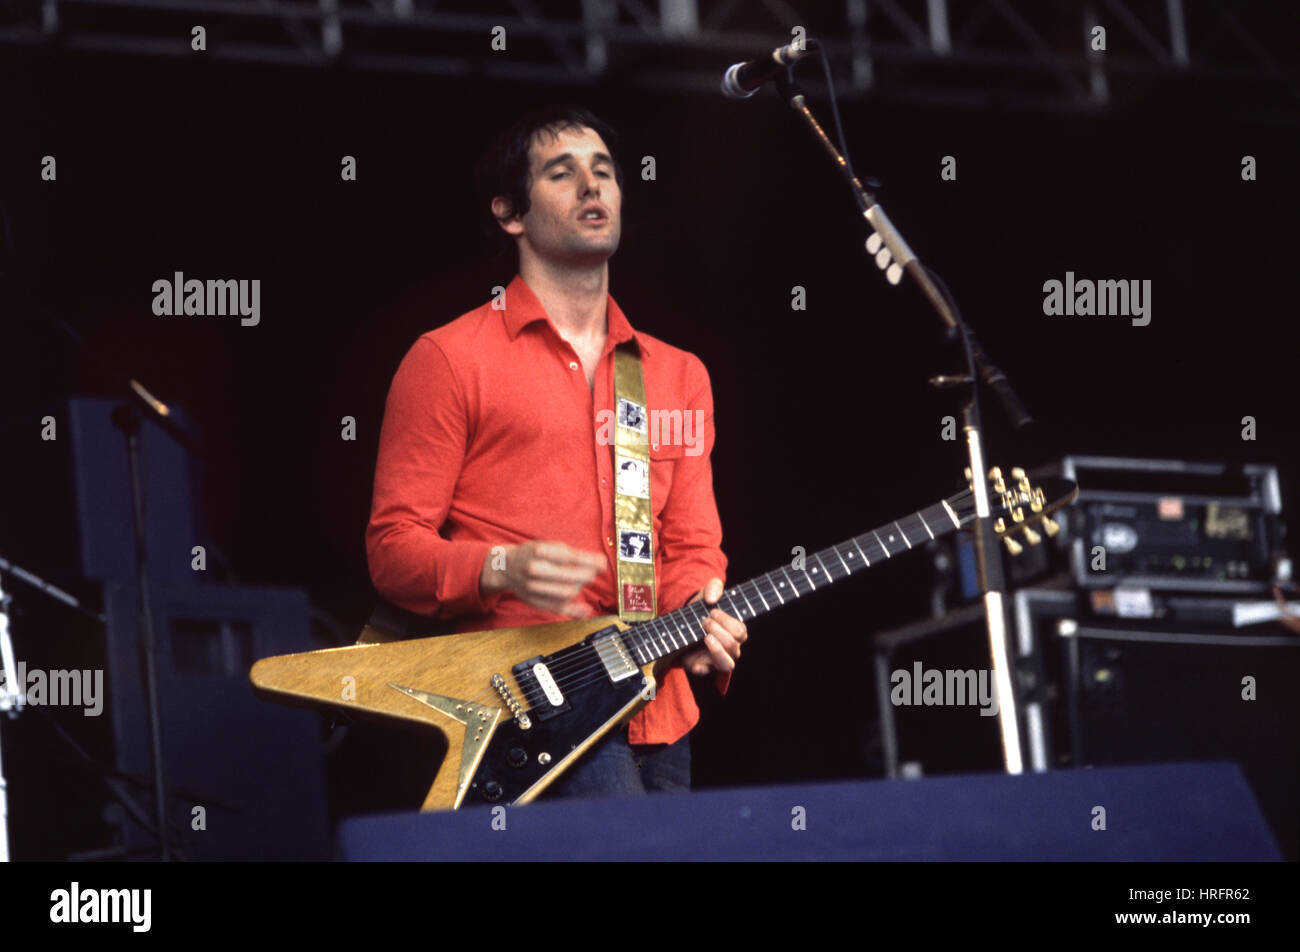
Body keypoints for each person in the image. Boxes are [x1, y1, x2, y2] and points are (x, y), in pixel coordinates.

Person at [365, 105, 747, 799]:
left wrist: (699, 616)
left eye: (603, 172)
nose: (592, 186)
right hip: (530, 701)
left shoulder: (677, 374)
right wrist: (501, 566)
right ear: (510, 213)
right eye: (562, 173)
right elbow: (394, 550)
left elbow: (694, 543)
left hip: (659, 707)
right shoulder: (448, 360)